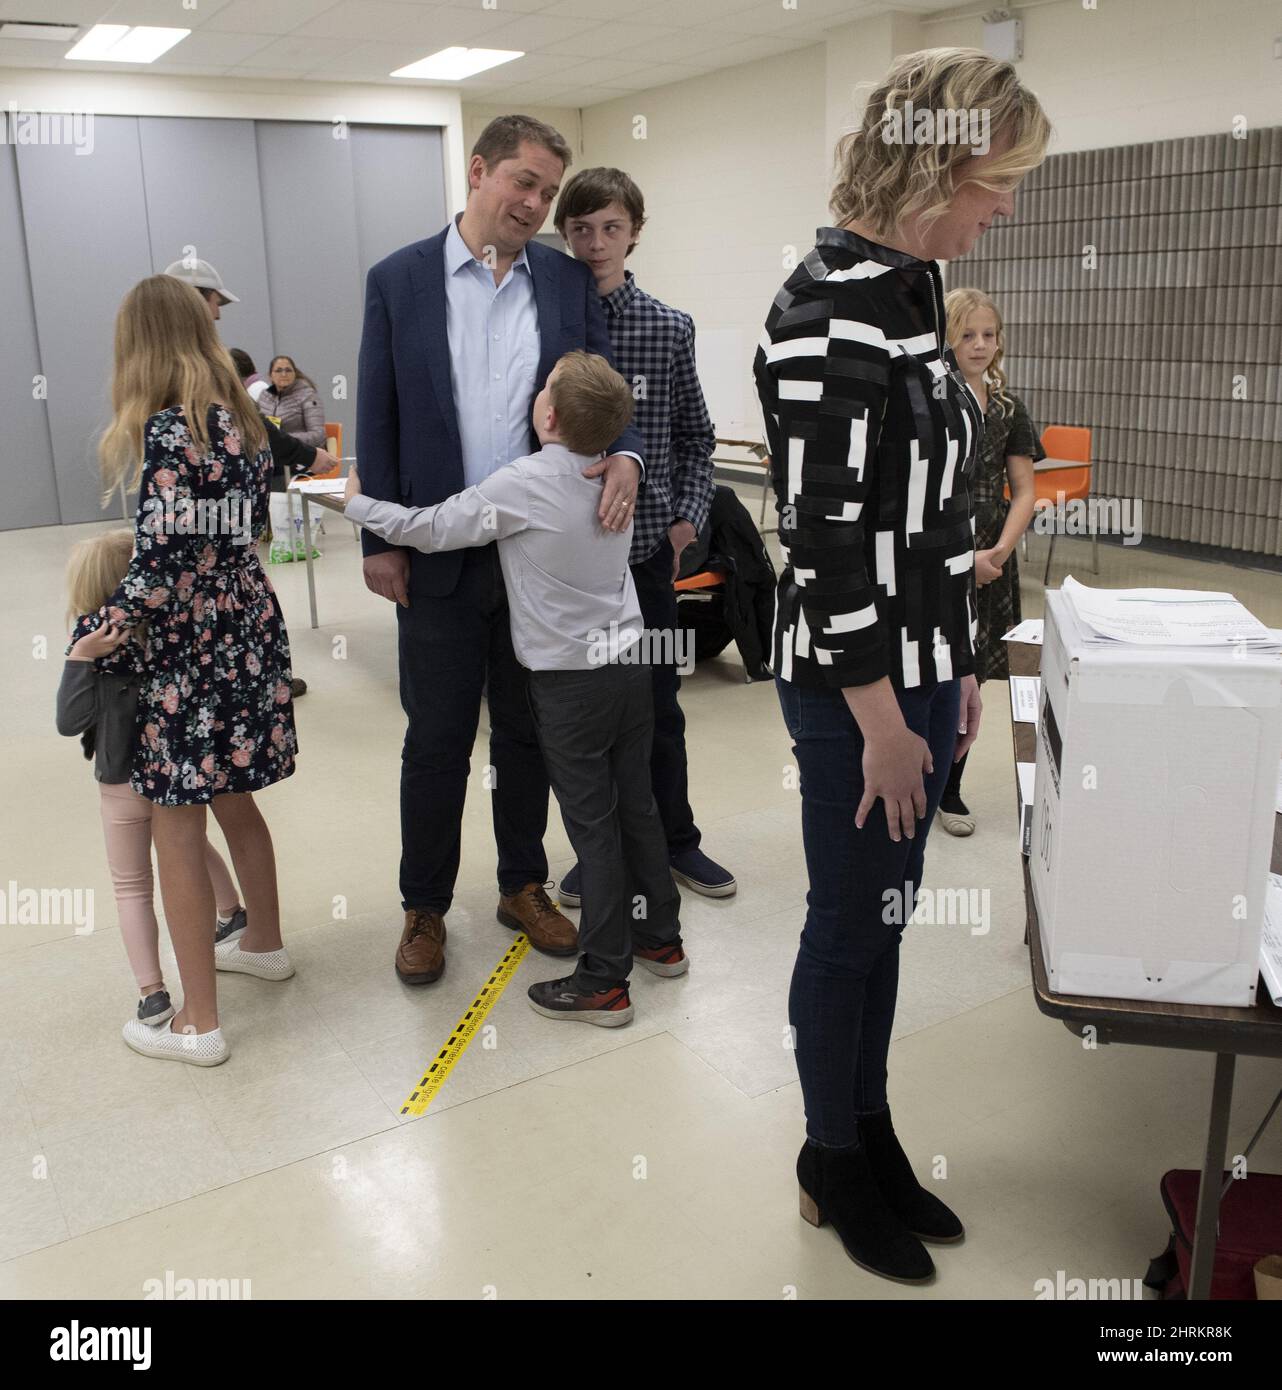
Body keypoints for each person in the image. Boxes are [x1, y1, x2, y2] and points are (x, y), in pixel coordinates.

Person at [754, 47, 1050, 1282]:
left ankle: (868, 1129)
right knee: (847, 923)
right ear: (935, 162)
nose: (1007, 204)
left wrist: (958, 660)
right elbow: (821, 538)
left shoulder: (915, 287)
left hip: (919, 660)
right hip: (849, 683)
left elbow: (926, 507)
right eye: (998, 178)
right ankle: (831, 1156)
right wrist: (883, 713)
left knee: (885, 916)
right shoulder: (831, 304)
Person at [356, 113, 644, 986]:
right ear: (477, 171)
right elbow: (378, 409)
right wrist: (379, 536)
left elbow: (599, 392)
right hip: (439, 549)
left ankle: (522, 882)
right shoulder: (399, 279)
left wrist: (625, 453)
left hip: (536, 557)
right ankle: (423, 908)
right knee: (436, 739)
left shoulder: (562, 281)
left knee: (526, 732)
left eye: (548, 192)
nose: (534, 202)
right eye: (522, 181)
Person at [346, 352, 687, 1023]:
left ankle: (604, 980)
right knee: (636, 809)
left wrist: (356, 499)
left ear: (549, 414)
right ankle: (661, 942)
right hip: (628, 665)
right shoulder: (614, 476)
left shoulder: (525, 482)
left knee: (593, 829)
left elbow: (433, 528)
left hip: (569, 684)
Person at [95, 274, 300, 1067]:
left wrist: (103, 627)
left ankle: (196, 1024)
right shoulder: (240, 420)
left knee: (175, 827)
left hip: (187, 642)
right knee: (234, 797)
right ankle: (265, 942)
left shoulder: (168, 429)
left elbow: (162, 560)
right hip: (242, 622)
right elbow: (242, 528)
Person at [552, 167, 735, 902]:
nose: (596, 243)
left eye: (611, 228)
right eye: (581, 229)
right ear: (563, 234)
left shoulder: (667, 327)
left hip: (649, 553)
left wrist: (689, 517)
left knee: (659, 704)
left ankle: (677, 840)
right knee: (583, 717)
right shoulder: (549, 323)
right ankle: (597, 851)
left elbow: (697, 437)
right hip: (567, 562)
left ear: (635, 232)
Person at [56, 529, 247, 1027]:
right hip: (173, 774)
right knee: (190, 846)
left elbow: (69, 721)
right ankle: (232, 911)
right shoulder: (169, 628)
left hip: (119, 783)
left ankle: (153, 992)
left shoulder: (92, 642)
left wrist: (79, 659)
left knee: (131, 887)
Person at [164, 258, 327, 699]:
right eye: (215, 303)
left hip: (227, 537)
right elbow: (258, 433)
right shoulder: (194, 376)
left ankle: (258, 676)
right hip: (211, 538)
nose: (218, 314)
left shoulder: (190, 371)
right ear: (195, 301)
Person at [937, 287, 1044, 836]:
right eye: (968, 334)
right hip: (940, 542)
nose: (980, 345)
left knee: (973, 669)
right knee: (939, 661)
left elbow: (1024, 489)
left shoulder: (1007, 407)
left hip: (993, 547)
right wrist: (960, 557)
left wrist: (1001, 548)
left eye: (989, 335)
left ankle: (950, 788)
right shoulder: (933, 399)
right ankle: (921, 770)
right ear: (948, 336)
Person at [257, 356, 327, 450]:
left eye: (288, 370)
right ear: (271, 376)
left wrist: (283, 439)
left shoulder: (308, 396)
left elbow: (318, 435)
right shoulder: (264, 397)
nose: (284, 374)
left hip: (302, 453)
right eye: (278, 370)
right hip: (272, 452)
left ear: (295, 374)